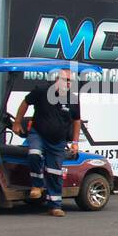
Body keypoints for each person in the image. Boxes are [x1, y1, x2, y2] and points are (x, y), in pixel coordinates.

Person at [12, 68, 81, 217]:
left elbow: (76, 121)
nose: (68, 83)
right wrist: (17, 123)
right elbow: (25, 103)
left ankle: (55, 206)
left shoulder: (73, 99)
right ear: (57, 79)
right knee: (34, 153)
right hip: (39, 134)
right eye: (65, 80)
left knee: (55, 172)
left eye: (71, 81)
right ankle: (37, 186)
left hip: (58, 141)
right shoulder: (42, 91)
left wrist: (75, 142)